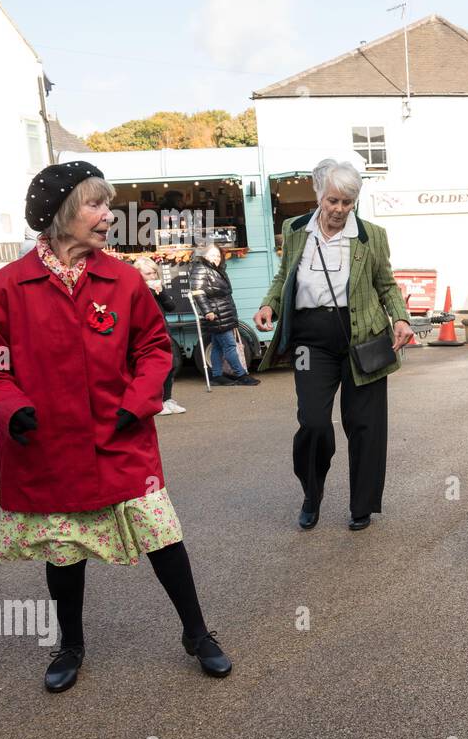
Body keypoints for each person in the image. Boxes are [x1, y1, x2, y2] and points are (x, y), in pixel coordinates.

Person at [0, 162, 231, 693]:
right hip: (47, 446)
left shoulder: (124, 280)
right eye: (96, 204)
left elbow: (154, 348)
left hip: (120, 437)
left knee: (162, 538)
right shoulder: (6, 287)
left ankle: (197, 634)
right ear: (62, 212)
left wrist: (139, 401)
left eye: (108, 205)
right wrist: (9, 408)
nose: (110, 216)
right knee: (64, 553)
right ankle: (71, 644)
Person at [254, 159, 414, 532]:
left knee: (365, 426)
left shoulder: (371, 235)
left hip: (364, 337)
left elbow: (386, 284)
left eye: (347, 202)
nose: (339, 210)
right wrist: (269, 304)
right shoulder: (295, 229)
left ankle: (362, 504)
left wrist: (402, 318)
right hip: (311, 340)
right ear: (319, 197)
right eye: (332, 201)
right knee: (313, 422)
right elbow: (284, 275)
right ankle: (312, 492)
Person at [190, 245, 258, 387]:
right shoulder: (201, 269)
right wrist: (207, 311)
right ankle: (241, 375)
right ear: (204, 256)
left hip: (222, 312)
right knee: (229, 345)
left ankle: (217, 376)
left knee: (217, 347)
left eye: (218, 255)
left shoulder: (215, 269)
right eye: (212, 255)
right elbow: (198, 292)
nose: (216, 258)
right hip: (216, 314)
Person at [133, 256, 185, 414]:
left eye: (155, 273)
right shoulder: (136, 289)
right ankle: (156, 402)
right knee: (154, 368)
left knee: (170, 365)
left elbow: (170, 307)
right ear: (138, 274)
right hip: (147, 334)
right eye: (148, 273)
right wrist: (149, 291)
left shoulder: (157, 287)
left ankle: (167, 399)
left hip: (163, 330)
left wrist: (160, 293)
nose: (153, 276)